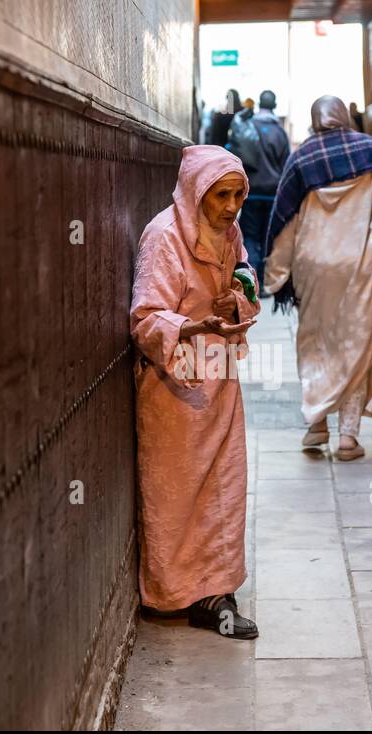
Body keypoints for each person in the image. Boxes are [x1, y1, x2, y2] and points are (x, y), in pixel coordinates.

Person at [130, 144, 261, 639]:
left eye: (237, 195)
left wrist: (237, 299)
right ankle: (173, 593)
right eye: (220, 195)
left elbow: (246, 273)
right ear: (196, 193)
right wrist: (189, 327)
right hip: (176, 390)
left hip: (221, 378)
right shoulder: (163, 238)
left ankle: (216, 592)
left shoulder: (230, 234)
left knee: (224, 486)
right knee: (180, 492)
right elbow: (145, 319)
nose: (230, 207)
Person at [263, 96, 372, 461]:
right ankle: (348, 437)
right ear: (346, 118)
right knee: (359, 341)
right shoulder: (371, 150)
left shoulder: (302, 158)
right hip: (364, 260)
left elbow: (286, 221)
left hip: (314, 264)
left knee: (317, 339)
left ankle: (316, 422)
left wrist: (276, 274)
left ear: (315, 120)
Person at [227, 90, 291, 276]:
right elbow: (286, 165)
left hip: (251, 191)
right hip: (272, 194)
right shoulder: (279, 132)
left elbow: (232, 150)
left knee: (251, 237)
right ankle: (265, 277)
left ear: (260, 104)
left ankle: (253, 281)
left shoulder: (247, 126)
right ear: (274, 106)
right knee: (267, 237)